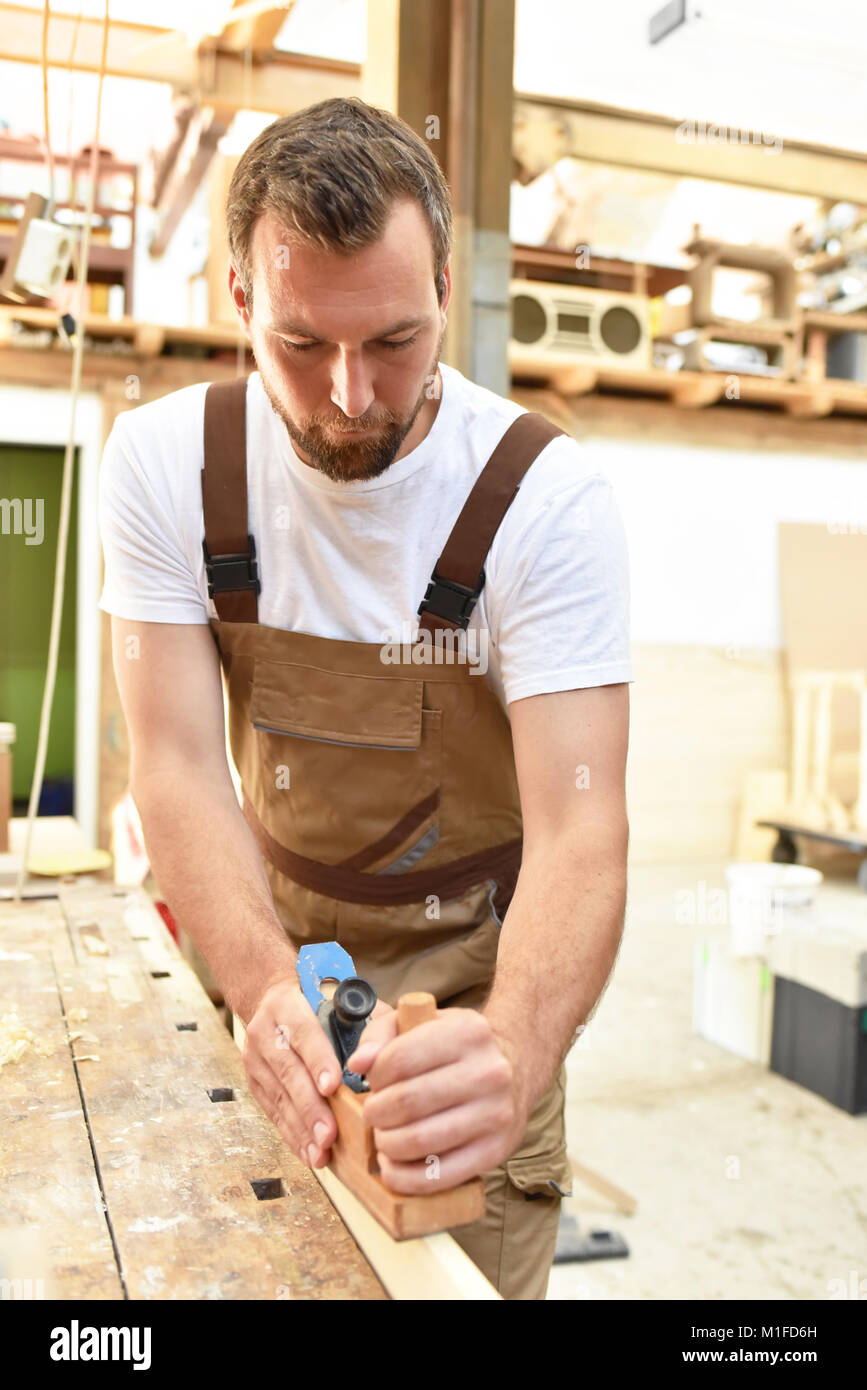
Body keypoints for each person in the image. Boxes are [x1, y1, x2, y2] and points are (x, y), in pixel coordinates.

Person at [98, 95, 632, 1300]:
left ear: (445, 283)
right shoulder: (165, 466)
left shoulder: (546, 501)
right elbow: (176, 763)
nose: (349, 395)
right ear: (239, 298)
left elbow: (584, 822)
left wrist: (517, 1046)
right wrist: (261, 987)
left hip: (477, 984)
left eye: (394, 340)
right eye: (302, 343)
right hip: (277, 945)